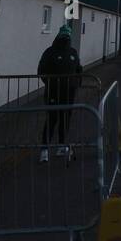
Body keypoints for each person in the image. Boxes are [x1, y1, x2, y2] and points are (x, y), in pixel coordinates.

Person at [37, 25, 83, 163]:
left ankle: (61, 146)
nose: (66, 38)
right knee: (52, 119)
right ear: (59, 36)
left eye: (67, 35)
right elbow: (41, 70)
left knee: (65, 120)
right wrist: (51, 83)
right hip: (53, 92)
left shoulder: (73, 52)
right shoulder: (50, 52)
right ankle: (44, 149)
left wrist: (76, 83)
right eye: (64, 35)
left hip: (69, 93)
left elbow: (78, 69)